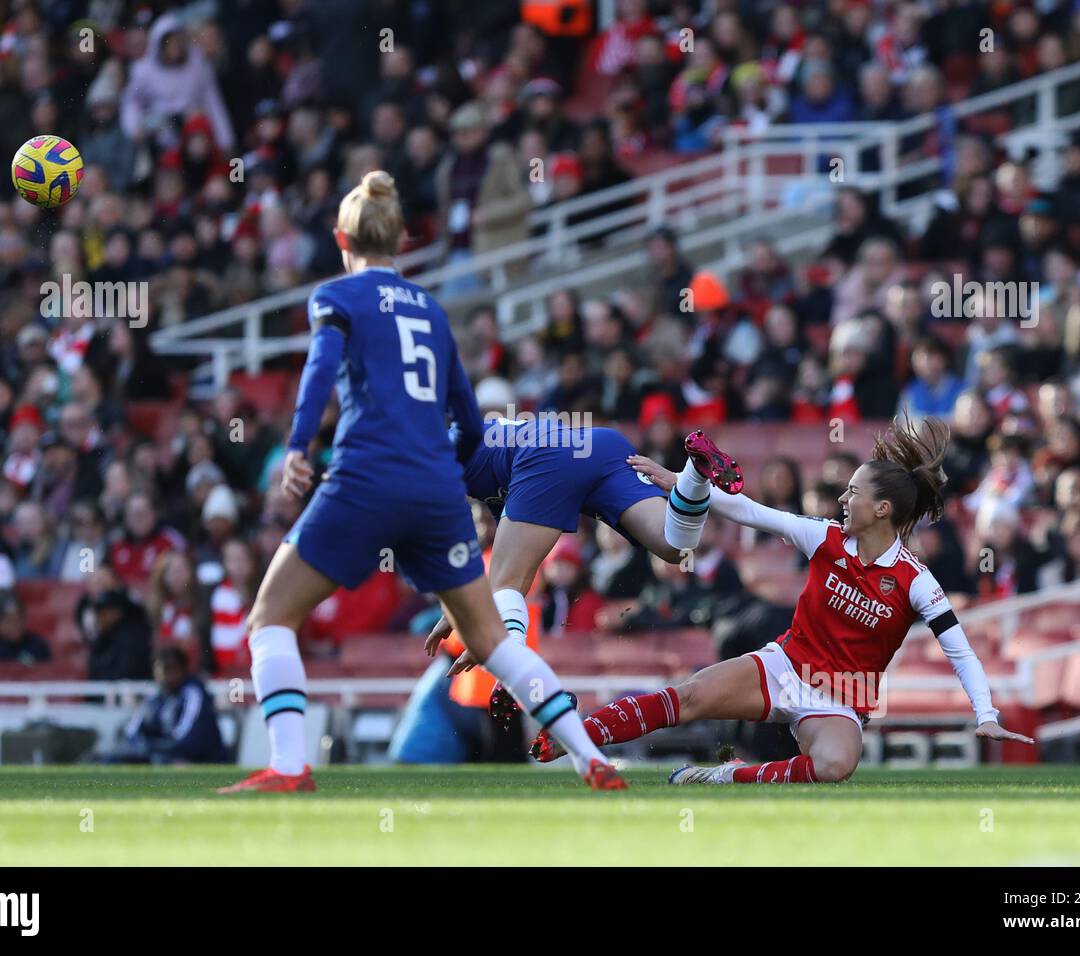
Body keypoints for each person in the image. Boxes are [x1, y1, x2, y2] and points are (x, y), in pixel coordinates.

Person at [218, 171, 624, 793]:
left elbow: (319, 369)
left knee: (271, 616)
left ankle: (291, 766)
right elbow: (466, 417)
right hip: (436, 485)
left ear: (340, 237)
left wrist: (299, 446)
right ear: (401, 242)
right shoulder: (431, 310)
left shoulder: (336, 296)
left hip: (364, 476)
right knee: (491, 639)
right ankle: (588, 755)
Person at [531, 417, 1035, 784]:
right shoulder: (824, 537)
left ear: (881, 509)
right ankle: (572, 734)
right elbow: (749, 511)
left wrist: (985, 713)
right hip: (784, 667)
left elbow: (959, 650)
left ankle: (724, 778)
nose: (843, 498)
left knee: (837, 766)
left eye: (854, 492)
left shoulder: (915, 579)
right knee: (688, 698)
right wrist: (681, 484)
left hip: (840, 696)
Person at [421, 425, 744, 717]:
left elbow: (478, 561)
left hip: (547, 455)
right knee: (673, 546)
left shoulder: (432, 456)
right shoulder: (465, 454)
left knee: (507, 583)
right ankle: (695, 473)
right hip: (598, 445)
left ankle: (512, 672)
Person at [103, 647, 229, 764]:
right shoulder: (156, 695)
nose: (166, 674)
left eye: (171, 668)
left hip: (199, 758)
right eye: (162, 669)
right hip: (164, 754)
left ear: (183, 669)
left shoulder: (194, 693)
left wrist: (152, 748)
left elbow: (187, 739)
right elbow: (133, 731)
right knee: (110, 758)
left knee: (162, 760)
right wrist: (144, 746)